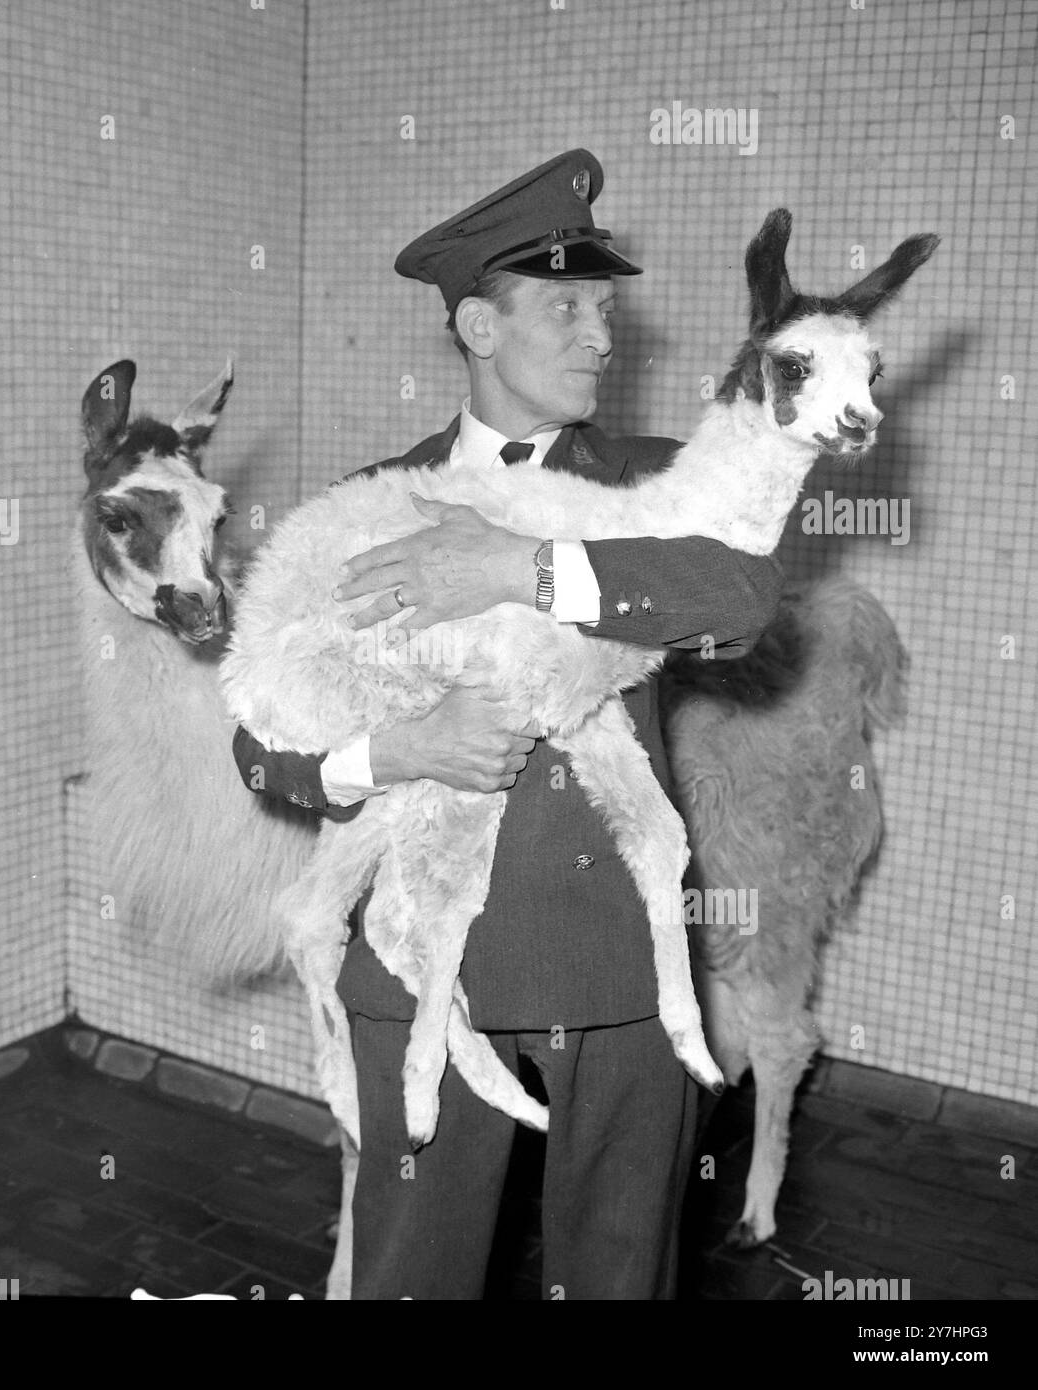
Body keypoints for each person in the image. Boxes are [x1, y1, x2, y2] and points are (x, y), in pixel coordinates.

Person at [232, 149, 783, 1300]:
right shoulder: (377, 499)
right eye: (568, 308)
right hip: (429, 968)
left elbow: (743, 594)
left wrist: (521, 564)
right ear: (480, 328)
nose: (602, 337)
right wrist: (392, 751)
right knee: (406, 1275)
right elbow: (256, 738)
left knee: (617, 1275)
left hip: (616, 970)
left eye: (606, 310)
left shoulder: (647, 483)